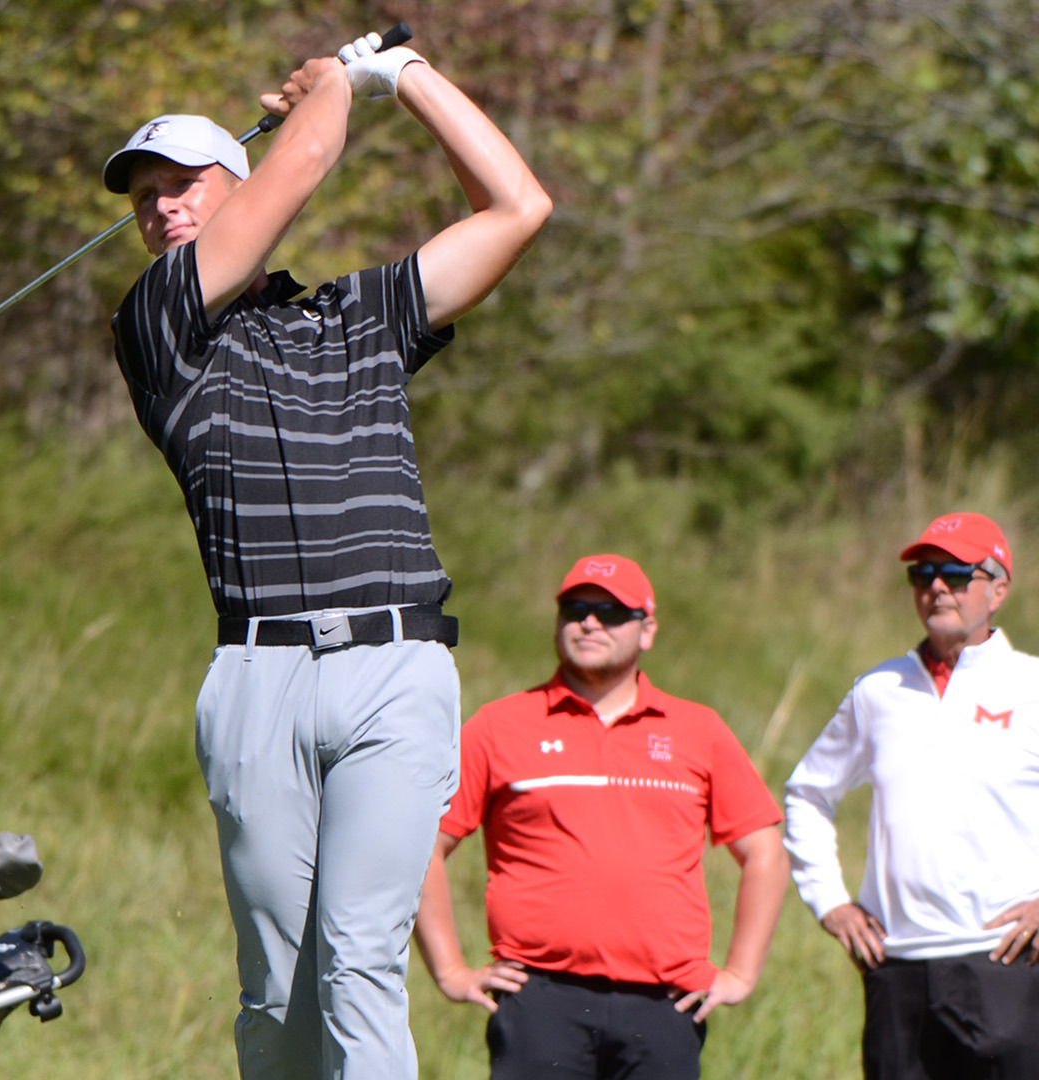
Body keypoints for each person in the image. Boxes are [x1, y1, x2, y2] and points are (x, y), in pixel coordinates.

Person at [102, 29, 550, 1080]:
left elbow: (517, 207)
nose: (164, 206)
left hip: (396, 669)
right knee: (279, 994)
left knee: (356, 962)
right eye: (145, 196)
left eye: (187, 184)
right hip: (255, 679)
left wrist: (406, 78)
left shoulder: (356, 318)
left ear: (233, 184)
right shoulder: (158, 328)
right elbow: (303, 161)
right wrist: (333, 87)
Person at [413, 554, 788, 1079]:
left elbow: (764, 849)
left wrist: (742, 974)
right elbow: (423, 844)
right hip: (538, 998)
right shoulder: (500, 725)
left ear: (647, 629)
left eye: (612, 612)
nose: (590, 622)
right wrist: (450, 970)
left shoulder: (697, 729)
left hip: (666, 1003)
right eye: (576, 609)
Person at [784, 512, 1039, 1079]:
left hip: (1006, 964)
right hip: (897, 969)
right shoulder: (877, 691)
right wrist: (830, 901)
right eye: (923, 574)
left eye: (954, 572)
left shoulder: (1031, 686)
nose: (936, 587)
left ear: (998, 589)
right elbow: (807, 794)